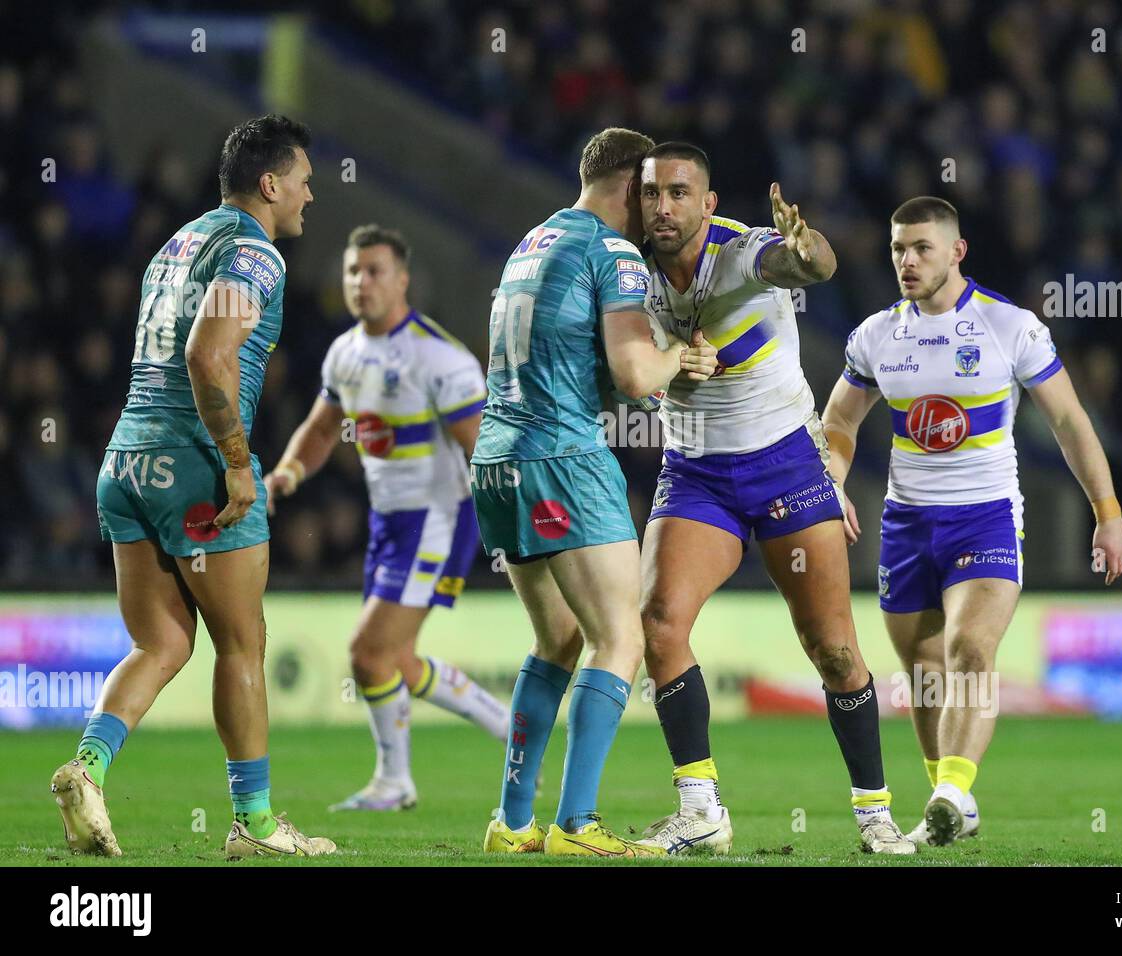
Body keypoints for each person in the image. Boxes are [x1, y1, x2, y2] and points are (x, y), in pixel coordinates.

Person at [55, 114, 335, 858]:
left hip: (127, 458)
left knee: (161, 640)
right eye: (305, 182)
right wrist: (237, 461)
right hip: (194, 467)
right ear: (270, 184)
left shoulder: (175, 245)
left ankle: (88, 768)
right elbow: (208, 356)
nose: (312, 196)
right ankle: (255, 824)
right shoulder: (256, 253)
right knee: (242, 643)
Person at [820, 196, 1122, 845]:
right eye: (898, 248)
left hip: (985, 518)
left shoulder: (1009, 327)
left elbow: (1070, 422)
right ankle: (950, 806)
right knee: (925, 671)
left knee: (970, 649)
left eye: (922, 248)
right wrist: (833, 485)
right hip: (906, 524)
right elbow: (840, 422)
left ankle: (951, 790)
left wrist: (1109, 514)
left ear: (956, 251)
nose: (907, 261)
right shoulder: (877, 335)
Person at [633, 142, 913, 855]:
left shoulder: (745, 251)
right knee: (660, 622)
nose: (663, 207)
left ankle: (874, 812)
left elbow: (810, 263)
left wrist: (807, 243)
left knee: (833, 650)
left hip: (787, 466)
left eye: (678, 193)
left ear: (708, 204)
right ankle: (702, 810)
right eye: (651, 194)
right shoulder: (624, 269)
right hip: (696, 472)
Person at [472, 128, 718, 856]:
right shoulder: (611, 252)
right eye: (649, 193)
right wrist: (682, 357)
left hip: (497, 460)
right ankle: (576, 824)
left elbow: (570, 353)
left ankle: (512, 822)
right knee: (622, 637)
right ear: (624, 187)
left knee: (557, 638)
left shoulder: (533, 243)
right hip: (563, 459)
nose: (657, 210)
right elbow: (638, 375)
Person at [265, 224, 509, 812]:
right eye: (353, 271)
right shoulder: (346, 353)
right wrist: (287, 473)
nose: (361, 282)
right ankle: (510, 730)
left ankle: (396, 781)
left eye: (374, 271)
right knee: (395, 660)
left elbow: (482, 447)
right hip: (388, 520)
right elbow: (323, 428)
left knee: (367, 653)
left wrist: (513, 519)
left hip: (436, 517)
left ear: (402, 280)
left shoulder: (436, 356)